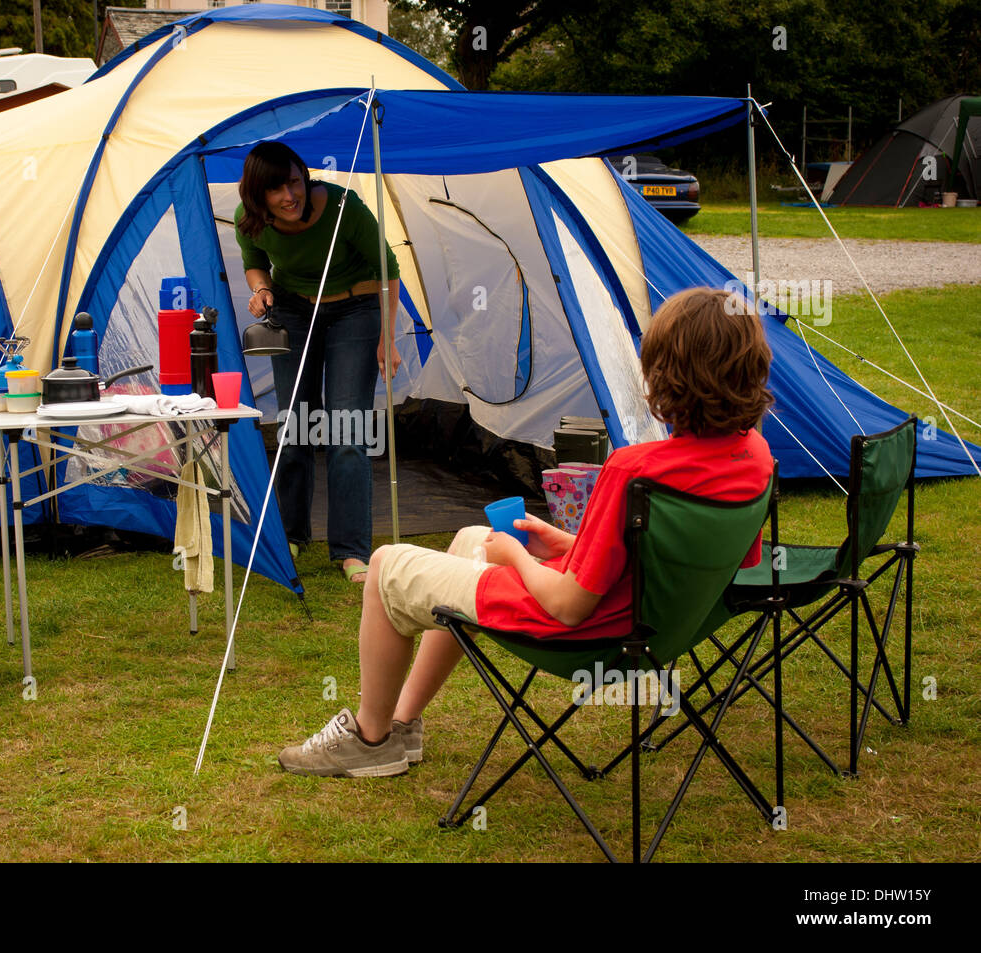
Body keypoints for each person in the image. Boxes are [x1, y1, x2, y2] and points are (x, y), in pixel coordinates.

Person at [277, 286, 775, 777]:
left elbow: (567, 605)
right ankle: (401, 724)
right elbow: (718, 559)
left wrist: (518, 558)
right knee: (471, 539)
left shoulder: (634, 470)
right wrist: (567, 545)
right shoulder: (755, 457)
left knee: (386, 566)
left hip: (590, 635)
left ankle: (369, 737)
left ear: (665, 376)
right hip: (652, 623)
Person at [234, 141, 402, 583]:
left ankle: (350, 551)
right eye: (276, 190)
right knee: (295, 424)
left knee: (347, 429)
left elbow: (389, 267)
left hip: (356, 308)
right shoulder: (248, 220)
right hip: (293, 309)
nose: (289, 196)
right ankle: (291, 534)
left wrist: (388, 337)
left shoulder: (344, 207)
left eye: (294, 182)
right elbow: (255, 264)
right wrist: (261, 290)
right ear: (258, 195)